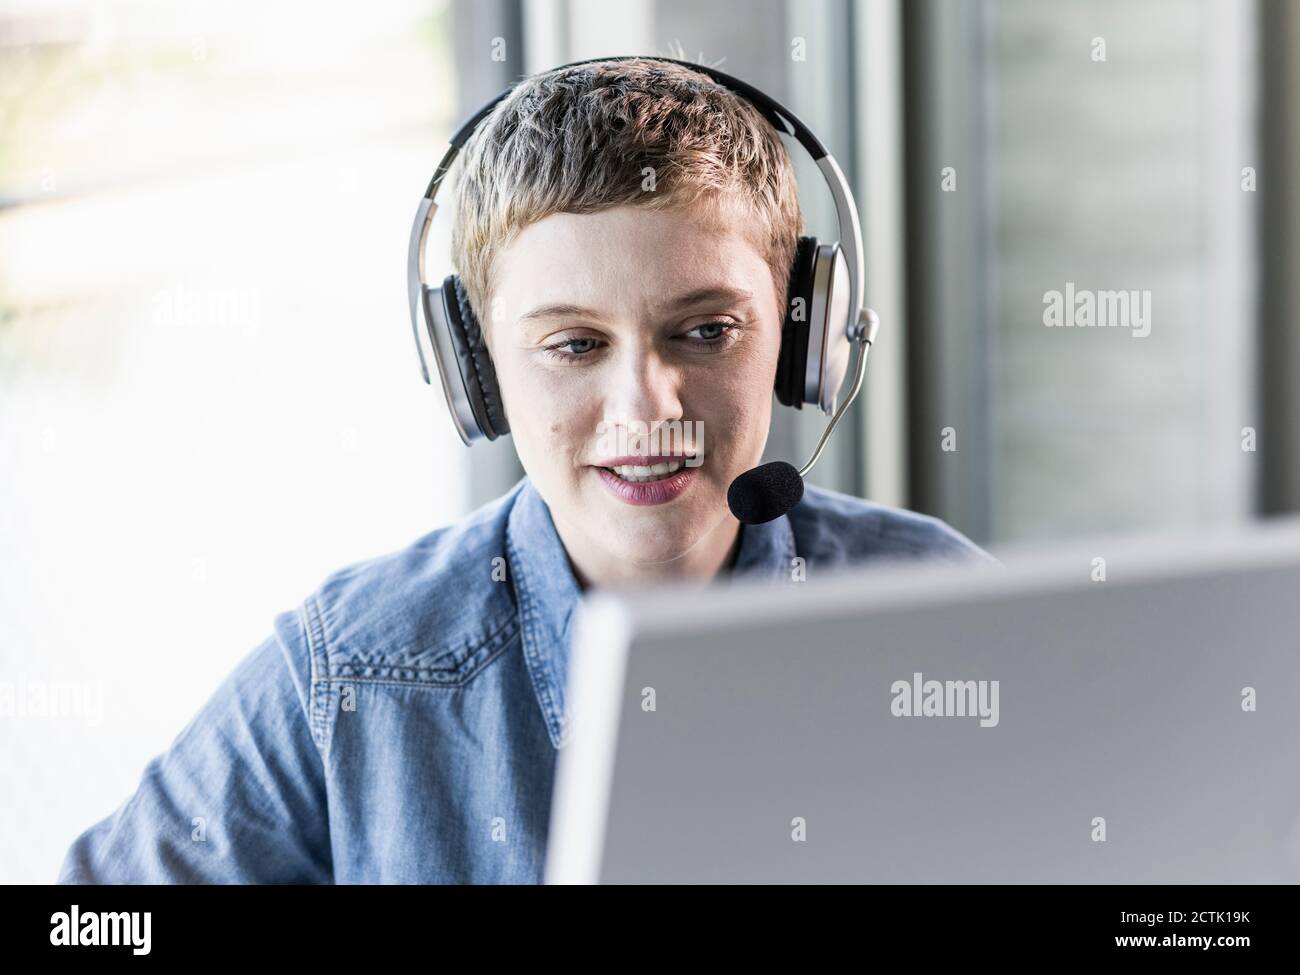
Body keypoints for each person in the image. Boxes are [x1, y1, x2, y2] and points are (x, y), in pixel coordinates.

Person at [57, 57, 993, 884]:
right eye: (575, 344)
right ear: (476, 370)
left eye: (706, 331)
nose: (647, 408)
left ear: (805, 337)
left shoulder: (942, 614)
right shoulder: (348, 678)